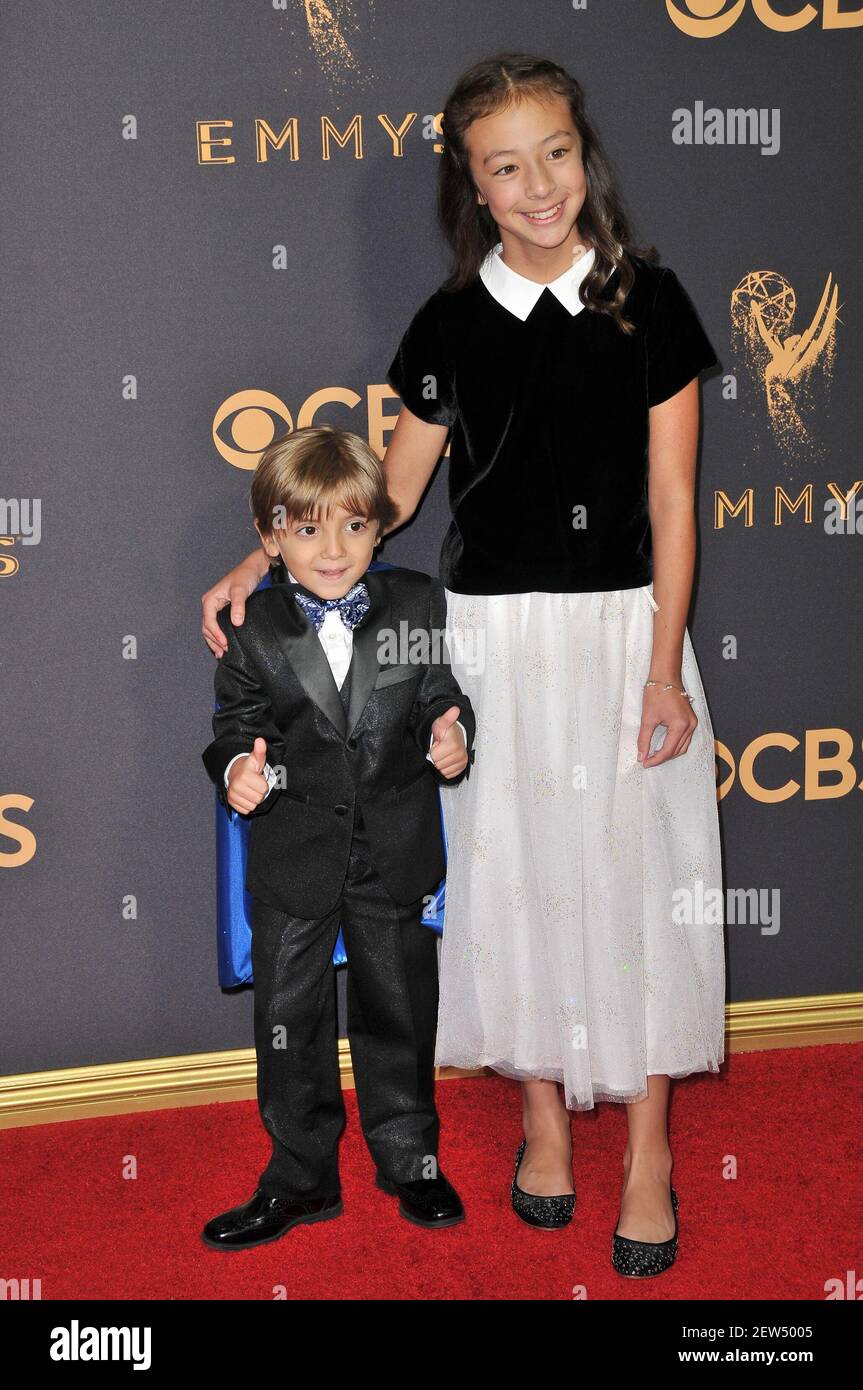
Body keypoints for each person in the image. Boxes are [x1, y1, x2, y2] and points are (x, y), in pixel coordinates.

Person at [201, 52, 726, 1278]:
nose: (537, 184)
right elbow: (384, 493)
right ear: (473, 189)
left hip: (620, 634)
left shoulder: (649, 300)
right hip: (483, 639)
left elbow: (672, 499)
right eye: (505, 166)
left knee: (640, 885)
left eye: (553, 153)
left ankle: (646, 1154)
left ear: (582, 156)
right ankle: (541, 1122)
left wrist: (661, 671)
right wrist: (259, 557)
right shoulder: (446, 323)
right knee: (513, 880)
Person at [200, 423, 476, 1250]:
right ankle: (299, 1176)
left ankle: (409, 1159)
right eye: (306, 528)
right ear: (270, 536)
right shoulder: (252, 626)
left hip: (392, 854)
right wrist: (234, 771)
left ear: (379, 525)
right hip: (293, 858)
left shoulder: (419, 602)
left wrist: (454, 730)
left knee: (399, 1011)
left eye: (353, 525)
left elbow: (439, 693)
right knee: (289, 1023)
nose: (332, 549)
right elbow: (234, 725)